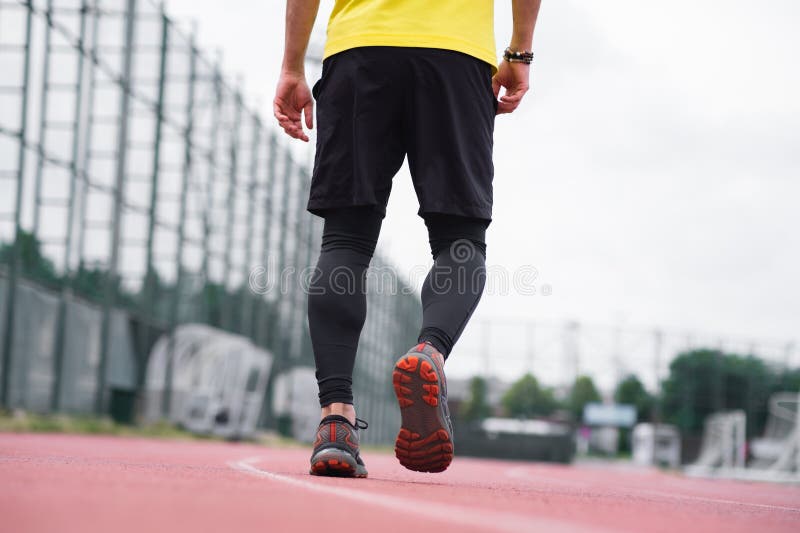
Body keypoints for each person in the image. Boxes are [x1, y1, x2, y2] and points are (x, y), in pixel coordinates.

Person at [274, 0, 541, 477]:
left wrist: (293, 66)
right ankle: (429, 351)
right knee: (460, 241)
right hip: (457, 56)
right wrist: (520, 54)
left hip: (360, 49)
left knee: (345, 242)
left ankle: (335, 422)